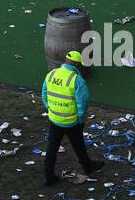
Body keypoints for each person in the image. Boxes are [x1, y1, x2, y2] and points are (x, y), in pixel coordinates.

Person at [42, 49, 104, 186]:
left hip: (55, 119)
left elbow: (44, 94)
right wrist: (80, 119)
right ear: (77, 64)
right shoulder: (77, 80)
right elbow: (82, 103)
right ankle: (88, 166)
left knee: (52, 147)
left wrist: (50, 108)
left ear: (66, 60)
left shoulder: (51, 74)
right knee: (78, 145)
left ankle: (49, 176)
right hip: (72, 121)